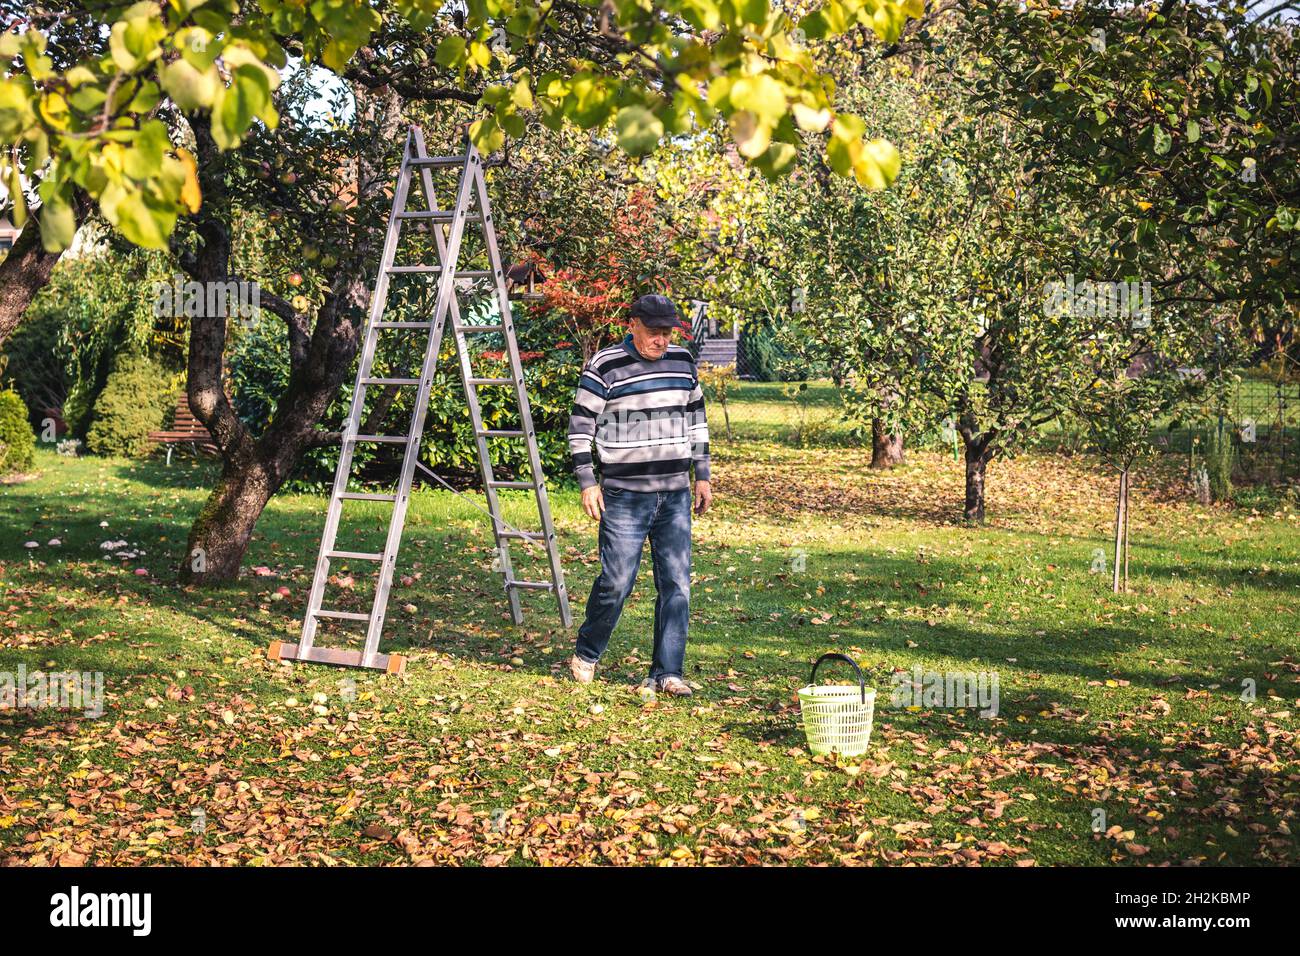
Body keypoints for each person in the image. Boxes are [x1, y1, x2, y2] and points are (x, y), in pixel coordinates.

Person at [566, 294, 713, 696]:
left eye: (667, 333)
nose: (661, 341)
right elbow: (581, 427)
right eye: (654, 332)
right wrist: (587, 481)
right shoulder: (605, 365)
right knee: (616, 581)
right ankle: (587, 652)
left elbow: (697, 421)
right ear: (632, 325)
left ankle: (668, 672)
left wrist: (702, 475)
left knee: (677, 584)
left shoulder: (683, 363)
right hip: (625, 494)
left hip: (675, 494)